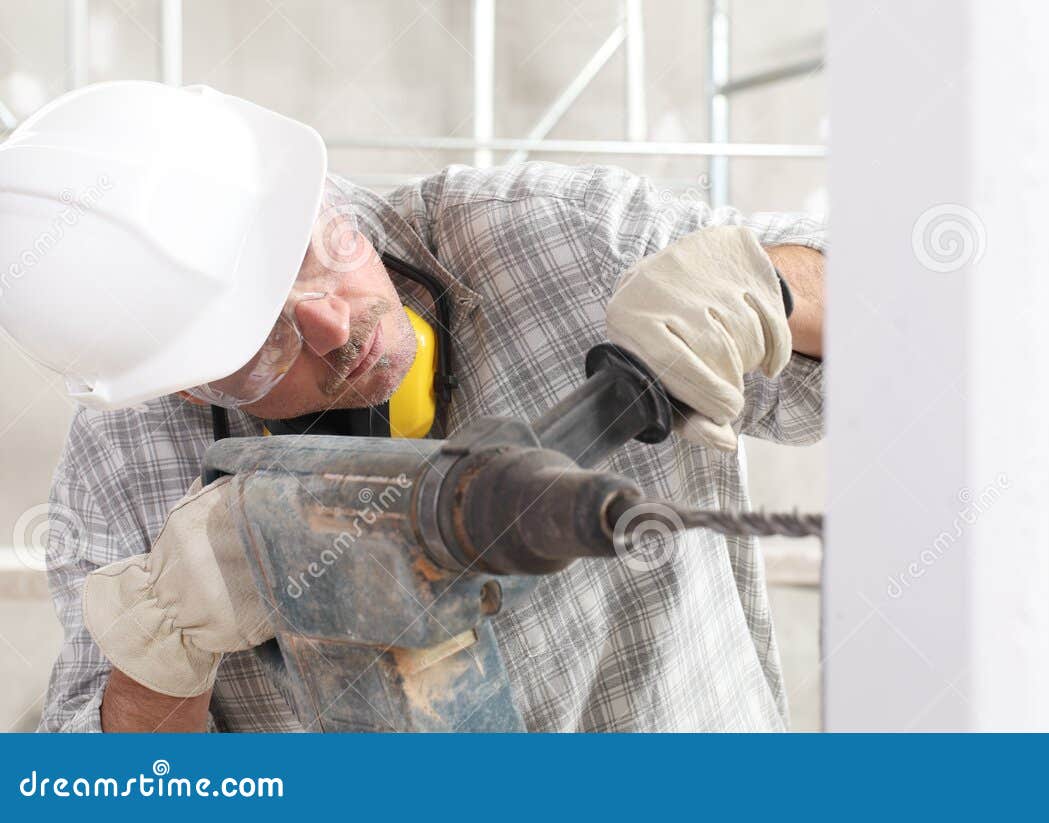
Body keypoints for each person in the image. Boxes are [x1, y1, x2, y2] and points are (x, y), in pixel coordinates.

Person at [0, 81, 824, 732]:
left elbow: (907, 293)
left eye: (323, 248)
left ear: (318, 191)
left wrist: (769, 286)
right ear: (183, 384)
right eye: (266, 339)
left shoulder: (559, 238)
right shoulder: (125, 466)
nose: (338, 323)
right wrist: (162, 641)